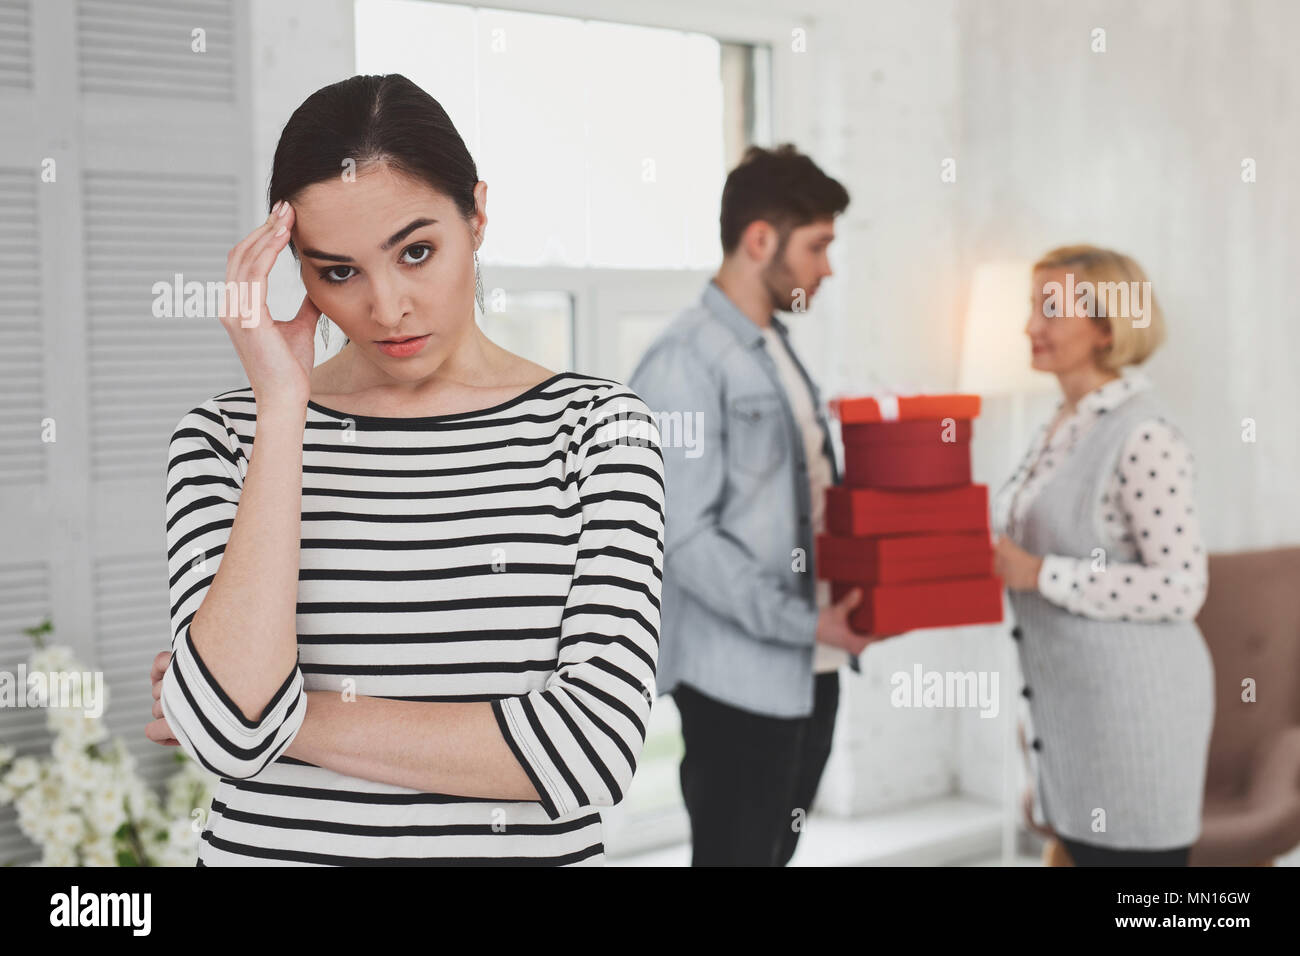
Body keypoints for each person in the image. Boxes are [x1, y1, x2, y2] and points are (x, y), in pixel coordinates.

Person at [144, 73, 665, 866]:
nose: (386, 308)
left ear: (478, 215)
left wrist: (255, 717)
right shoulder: (224, 437)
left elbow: (591, 746)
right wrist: (284, 410)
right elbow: (224, 725)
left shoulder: (601, 431)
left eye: (416, 252)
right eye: (338, 271)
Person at [630, 144, 884, 867]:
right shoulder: (685, 358)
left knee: (775, 855)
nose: (827, 269)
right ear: (760, 239)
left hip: (813, 660)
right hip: (737, 679)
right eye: (818, 247)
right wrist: (804, 620)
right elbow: (684, 537)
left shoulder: (774, 349)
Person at [992, 244, 1214, 866]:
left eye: (1052, 309)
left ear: (1107, 327)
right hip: (1071, 713)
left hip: (1136, 716)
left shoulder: (1143, 434)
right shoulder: (1061, 423)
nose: (1030, 326)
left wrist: (1041, 574)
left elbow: (1181, 586)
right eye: (1033, 307)